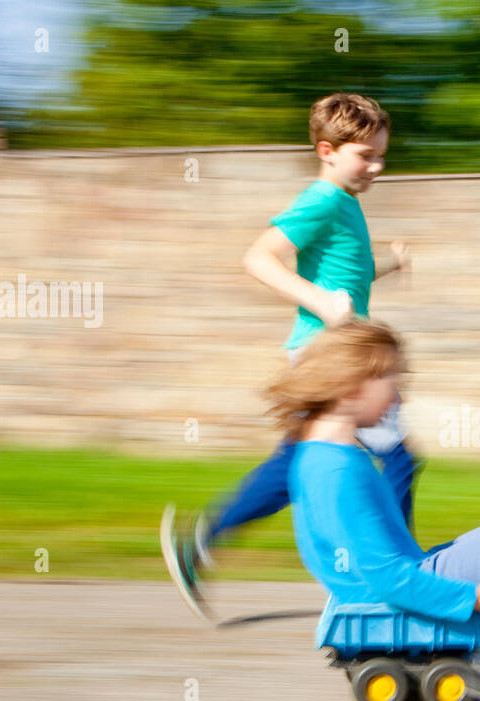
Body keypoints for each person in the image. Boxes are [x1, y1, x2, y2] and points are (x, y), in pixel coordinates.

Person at [162, 92, 418, 621]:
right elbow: (258, 258)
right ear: (328, 150)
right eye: (364, 155)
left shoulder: (344, 204)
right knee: (396, 459)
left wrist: (388, 263)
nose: (376, 165)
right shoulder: (322, 200)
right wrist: (319, 302)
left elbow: (345, 274)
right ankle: (400, 576)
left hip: (329, 356)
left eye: (380, 154)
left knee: (297, 464)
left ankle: (201, 540)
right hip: (328, 357)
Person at [275, 321, 480, 687]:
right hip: (415, 578)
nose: (400, 397)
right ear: (351, 387)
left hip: (411, 571)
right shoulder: (340, 469)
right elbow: (390, 580)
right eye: (392, 381)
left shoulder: (317, 457)